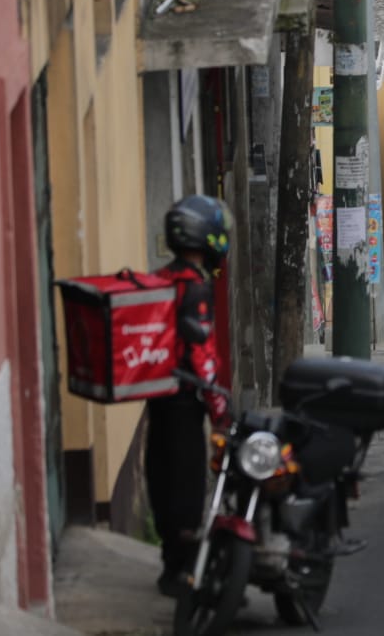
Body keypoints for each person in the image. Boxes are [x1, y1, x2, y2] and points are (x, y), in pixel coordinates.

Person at [147, 195, 233, 597]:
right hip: (185, 399)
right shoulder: (195, 286)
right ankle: (183, 571)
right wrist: (220, 407)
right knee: (186, 482)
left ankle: (170, 563)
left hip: (159, 394)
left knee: (161, 474)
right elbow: (202, 353)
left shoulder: (161, 278)